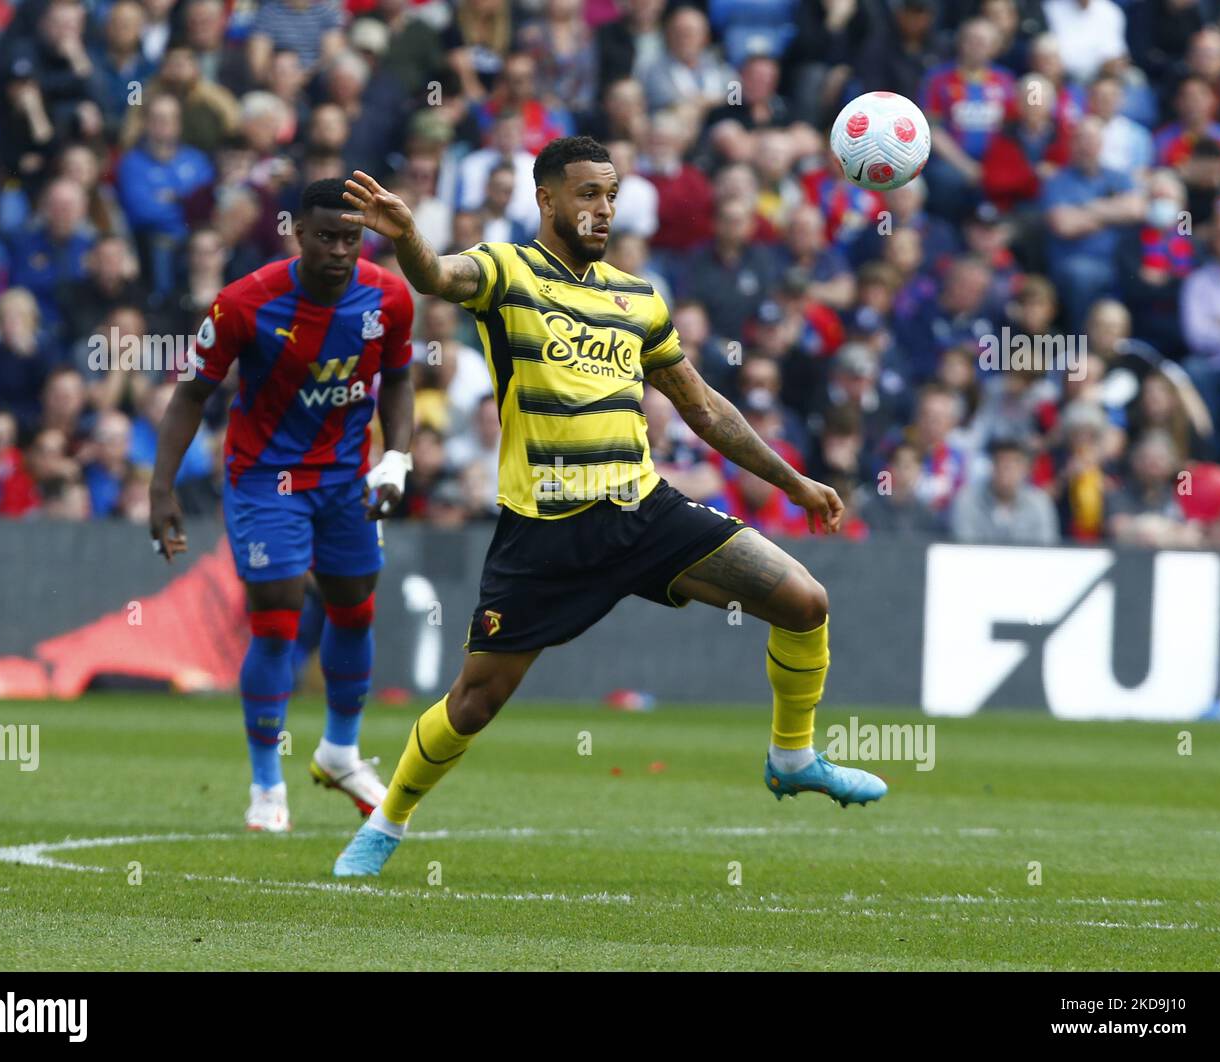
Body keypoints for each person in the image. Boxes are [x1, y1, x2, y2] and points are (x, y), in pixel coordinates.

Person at [331, 136, 886, 879]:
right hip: (545, 533)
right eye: (588, 193)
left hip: (642, 511)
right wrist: (410, 241)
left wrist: (791, 481)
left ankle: (792, 757)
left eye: (612, 194)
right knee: (474, 703)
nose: (602, 209)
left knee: (802, 599)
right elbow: (437, 278)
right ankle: (389, 821)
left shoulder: (638, 296)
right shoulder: (506, 270)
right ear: (548, 199)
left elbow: (703, 407)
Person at [148, 179, 415, 833]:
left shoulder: (389, 296)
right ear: (297, 232)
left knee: (355, 607)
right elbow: (191, 396)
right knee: (278, 614)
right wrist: (162, 490)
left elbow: (401, 379)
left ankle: (341, 752)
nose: (339, 251)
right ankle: (267, 784)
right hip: (265, 478)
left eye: (351, 238)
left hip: (345, 479)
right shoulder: (246, 303)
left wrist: (398, 458)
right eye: (326, 236)